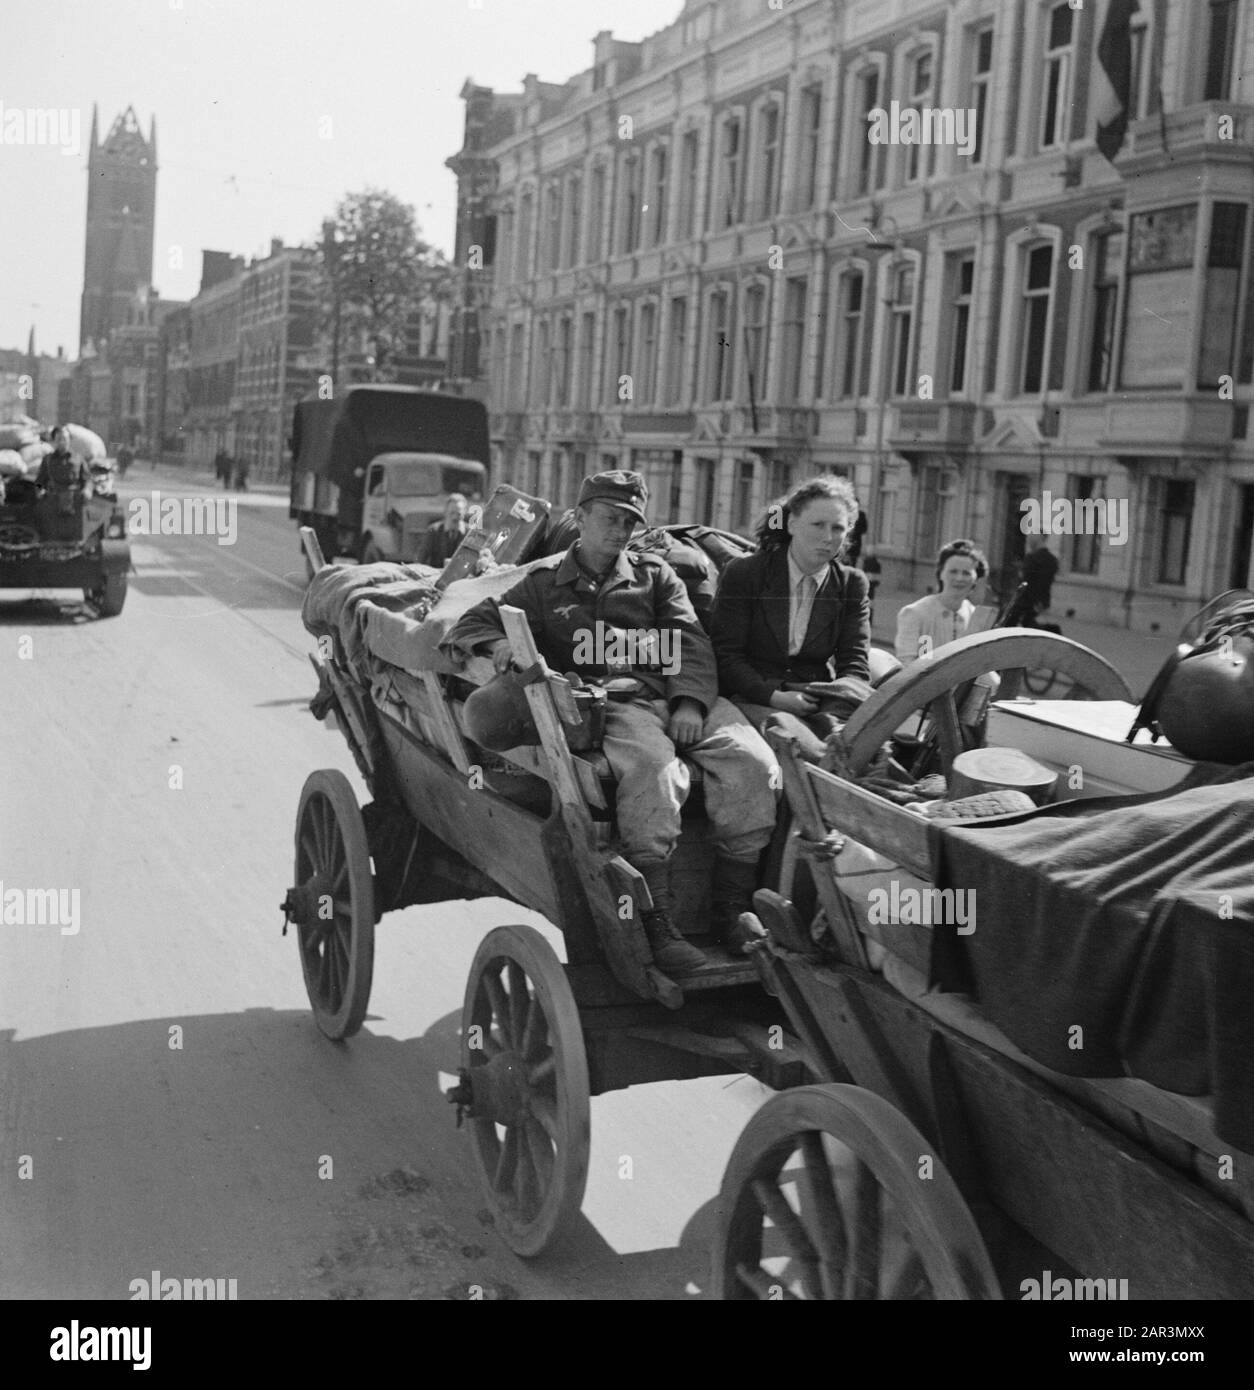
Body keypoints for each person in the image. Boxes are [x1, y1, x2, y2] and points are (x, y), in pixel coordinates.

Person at [444, 470, 780, 970]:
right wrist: (500, 649)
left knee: (754, 763)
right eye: (609, 518)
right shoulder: (541, 585)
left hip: (676, 694)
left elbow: (687, 640)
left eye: (630, 521)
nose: (620, 530)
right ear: (579, 518)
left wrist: (689, 703)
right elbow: (469, 624)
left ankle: (732, 911)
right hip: (614, 705)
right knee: (655, 772)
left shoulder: (655, 576)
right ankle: (658, 921)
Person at [710, 476, 872, 765]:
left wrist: (839, 714)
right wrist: (774, 696)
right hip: (753, 698)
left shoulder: (851, 584)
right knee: (807, 752)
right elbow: (726, 657)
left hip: (818, 701)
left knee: (863, 751)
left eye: (838, 528)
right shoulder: (746, 573)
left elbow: (855, 665)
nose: (828, 537)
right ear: (792, 524)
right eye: (818, 525)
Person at [894, 538, 990, 666]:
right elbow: (912, 664)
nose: (959, 578)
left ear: (975, 579)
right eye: (953, 571)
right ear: (941, 574)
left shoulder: (974, 616)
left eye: (966, 573)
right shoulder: (917, 614)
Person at [418, 493, 470, 569]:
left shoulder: (471, 534)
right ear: (445, 512)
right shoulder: (433, 531)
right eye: (451, 513)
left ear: (464, 513)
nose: (454, 517)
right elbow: (420, 559)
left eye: (458, 514)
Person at [1022, 538, 1059, 618]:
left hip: (1028, 604)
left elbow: (1028, 582)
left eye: (1032, 536)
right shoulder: (1053, 560)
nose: (1029, 540)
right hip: (1043, 603)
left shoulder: (1031, 559)